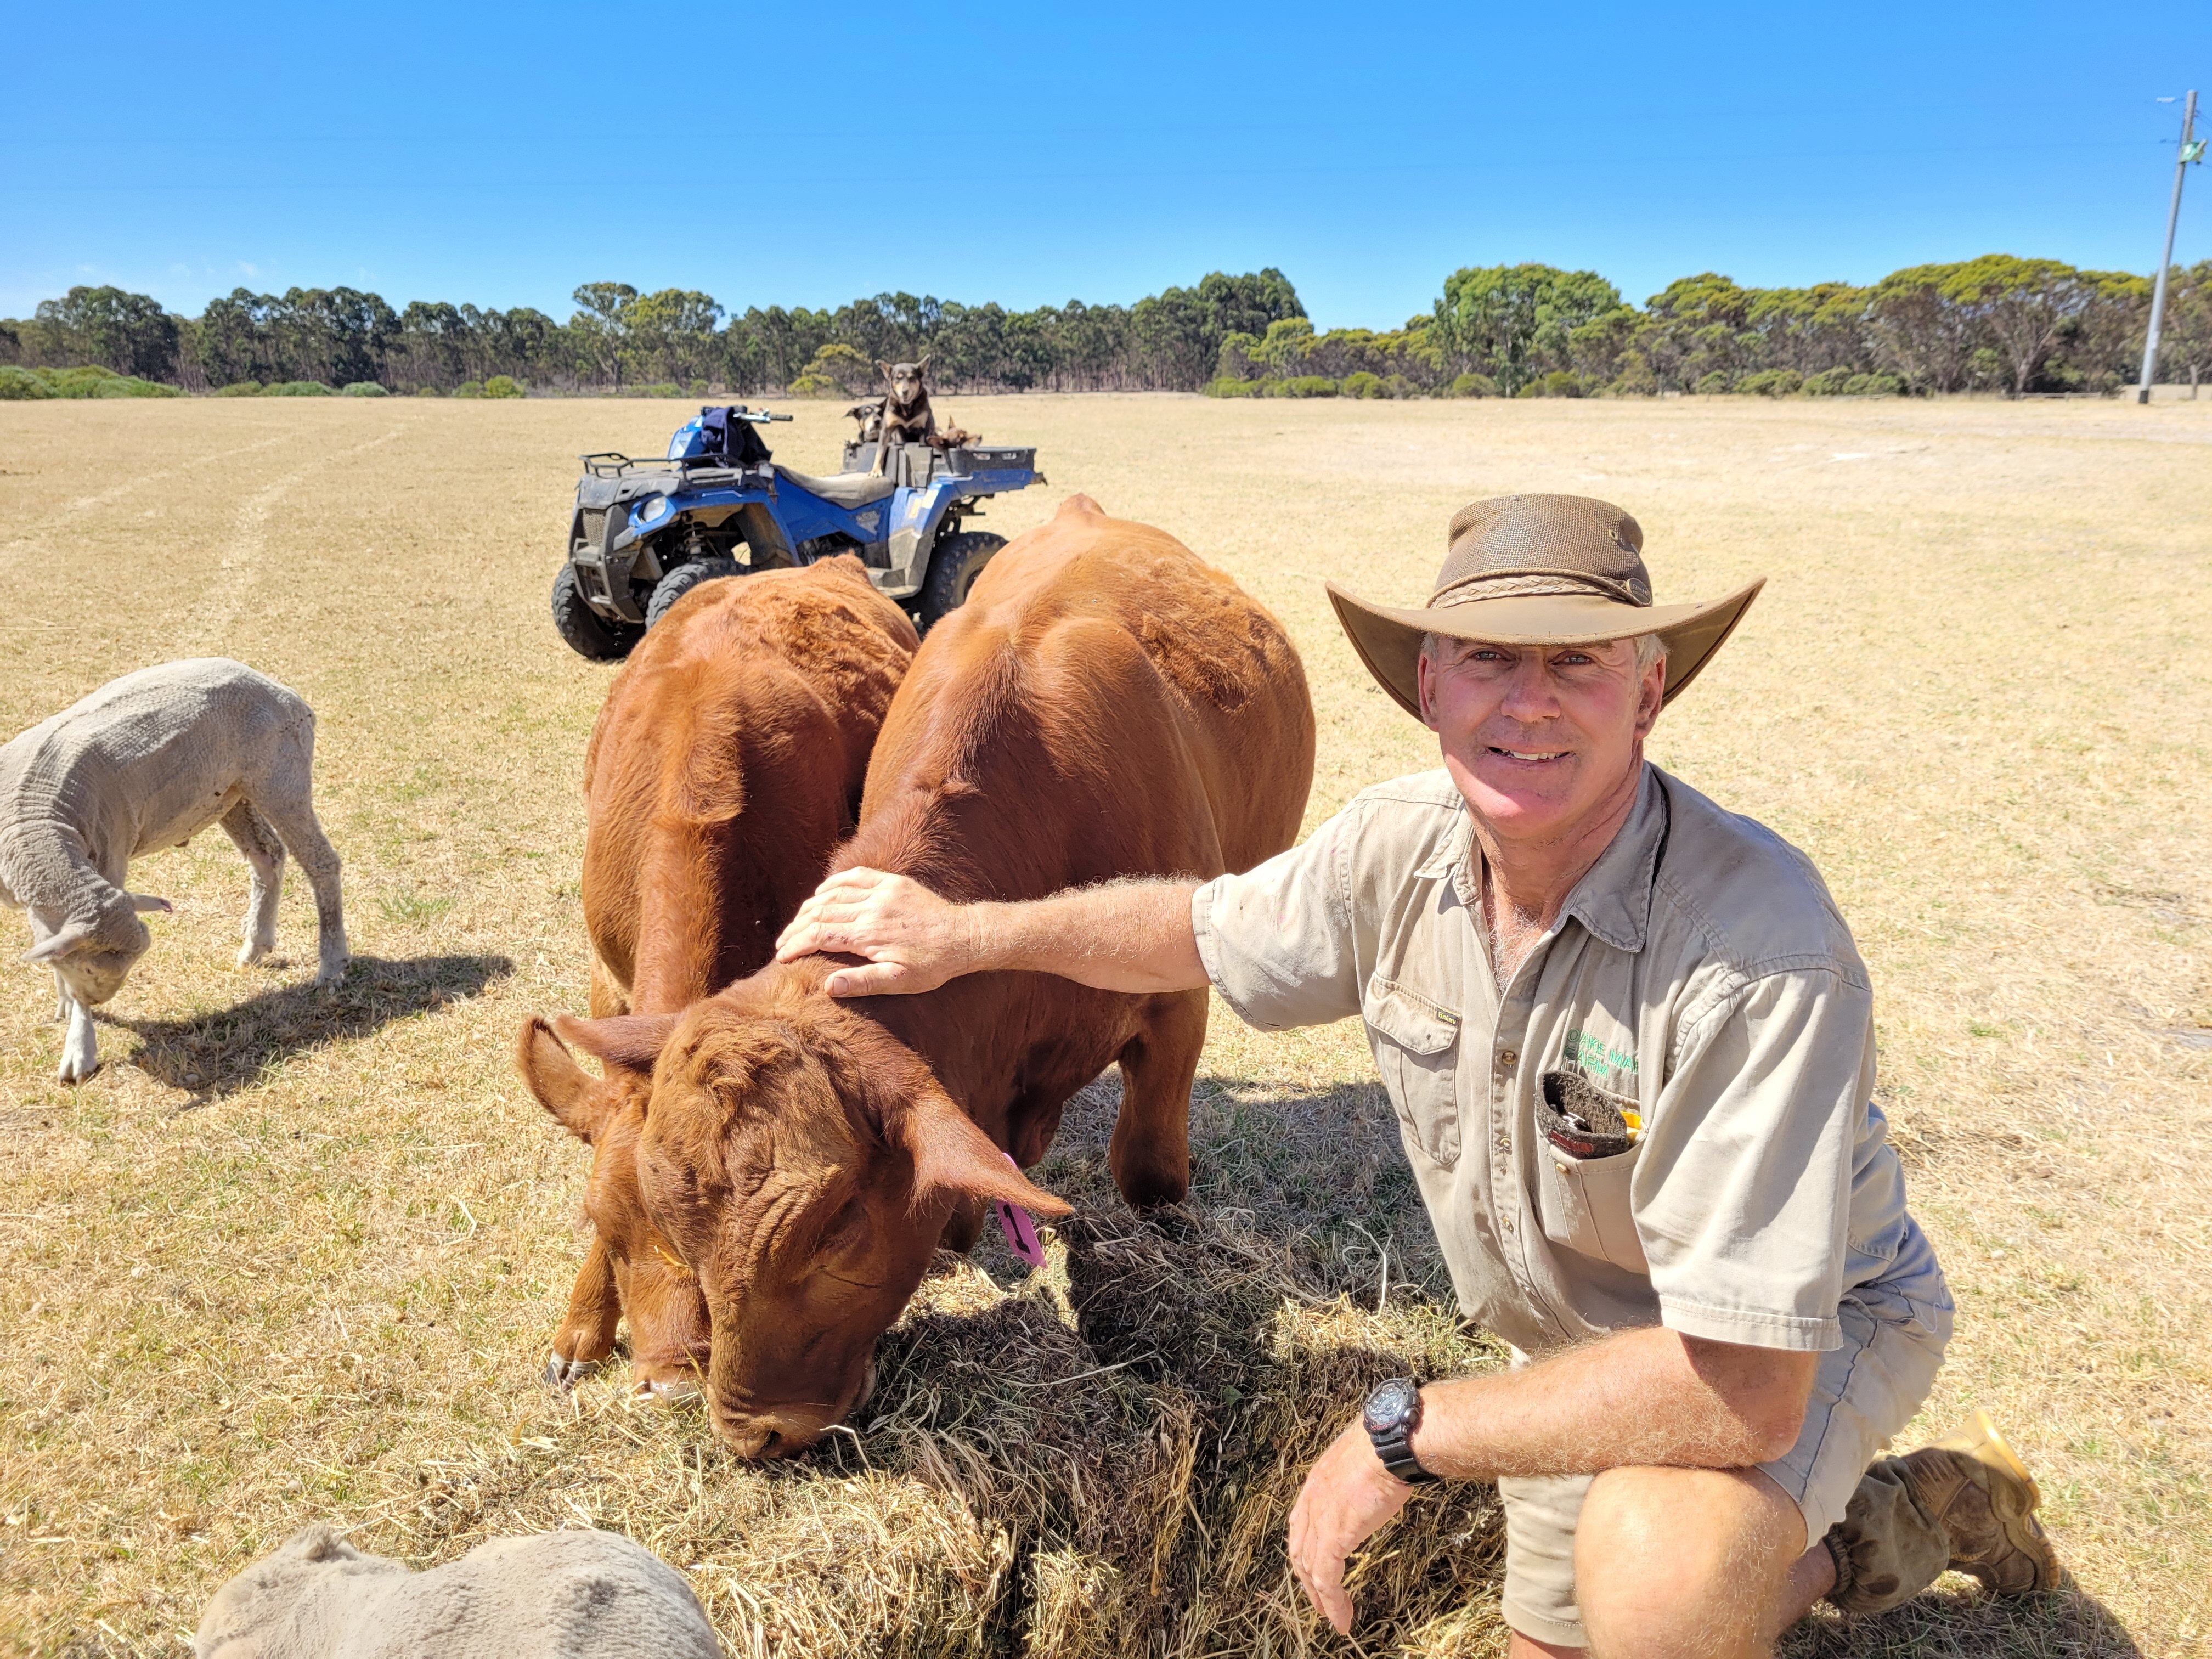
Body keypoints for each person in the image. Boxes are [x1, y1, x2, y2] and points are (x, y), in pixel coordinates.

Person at [772, 495, 2058, 1657]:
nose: (1529, 702)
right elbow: (1198, 926)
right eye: (1491, 660)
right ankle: (1900, 1522)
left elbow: (1746, 1384)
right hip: (1578, 1344)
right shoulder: (1398, 849)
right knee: (1595, 1619)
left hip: (1789, 1329)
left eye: (1579, 663)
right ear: (1430, 686)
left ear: (1650, 690)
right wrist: (959, 937)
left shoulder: (1756, 953)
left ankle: (1830, 1528)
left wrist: (1406, 1431)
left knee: (1659, 1583)